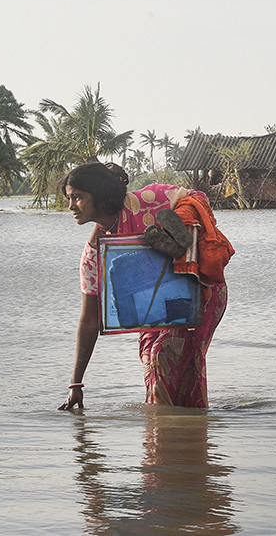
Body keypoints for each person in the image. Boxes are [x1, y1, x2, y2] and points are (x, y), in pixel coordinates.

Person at [58, 162, 234, 410]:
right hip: (153, 311)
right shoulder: (94, 256)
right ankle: (170, 435)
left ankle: (176, 433)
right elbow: (89, 320)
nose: (71, 206)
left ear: (99, 195)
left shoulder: (148, 201)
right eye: (69, 198)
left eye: (77, 197)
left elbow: (197, 198)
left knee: (165, 355)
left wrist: (183, 221)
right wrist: (76, 383)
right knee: (152, 360)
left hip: (200, 290)